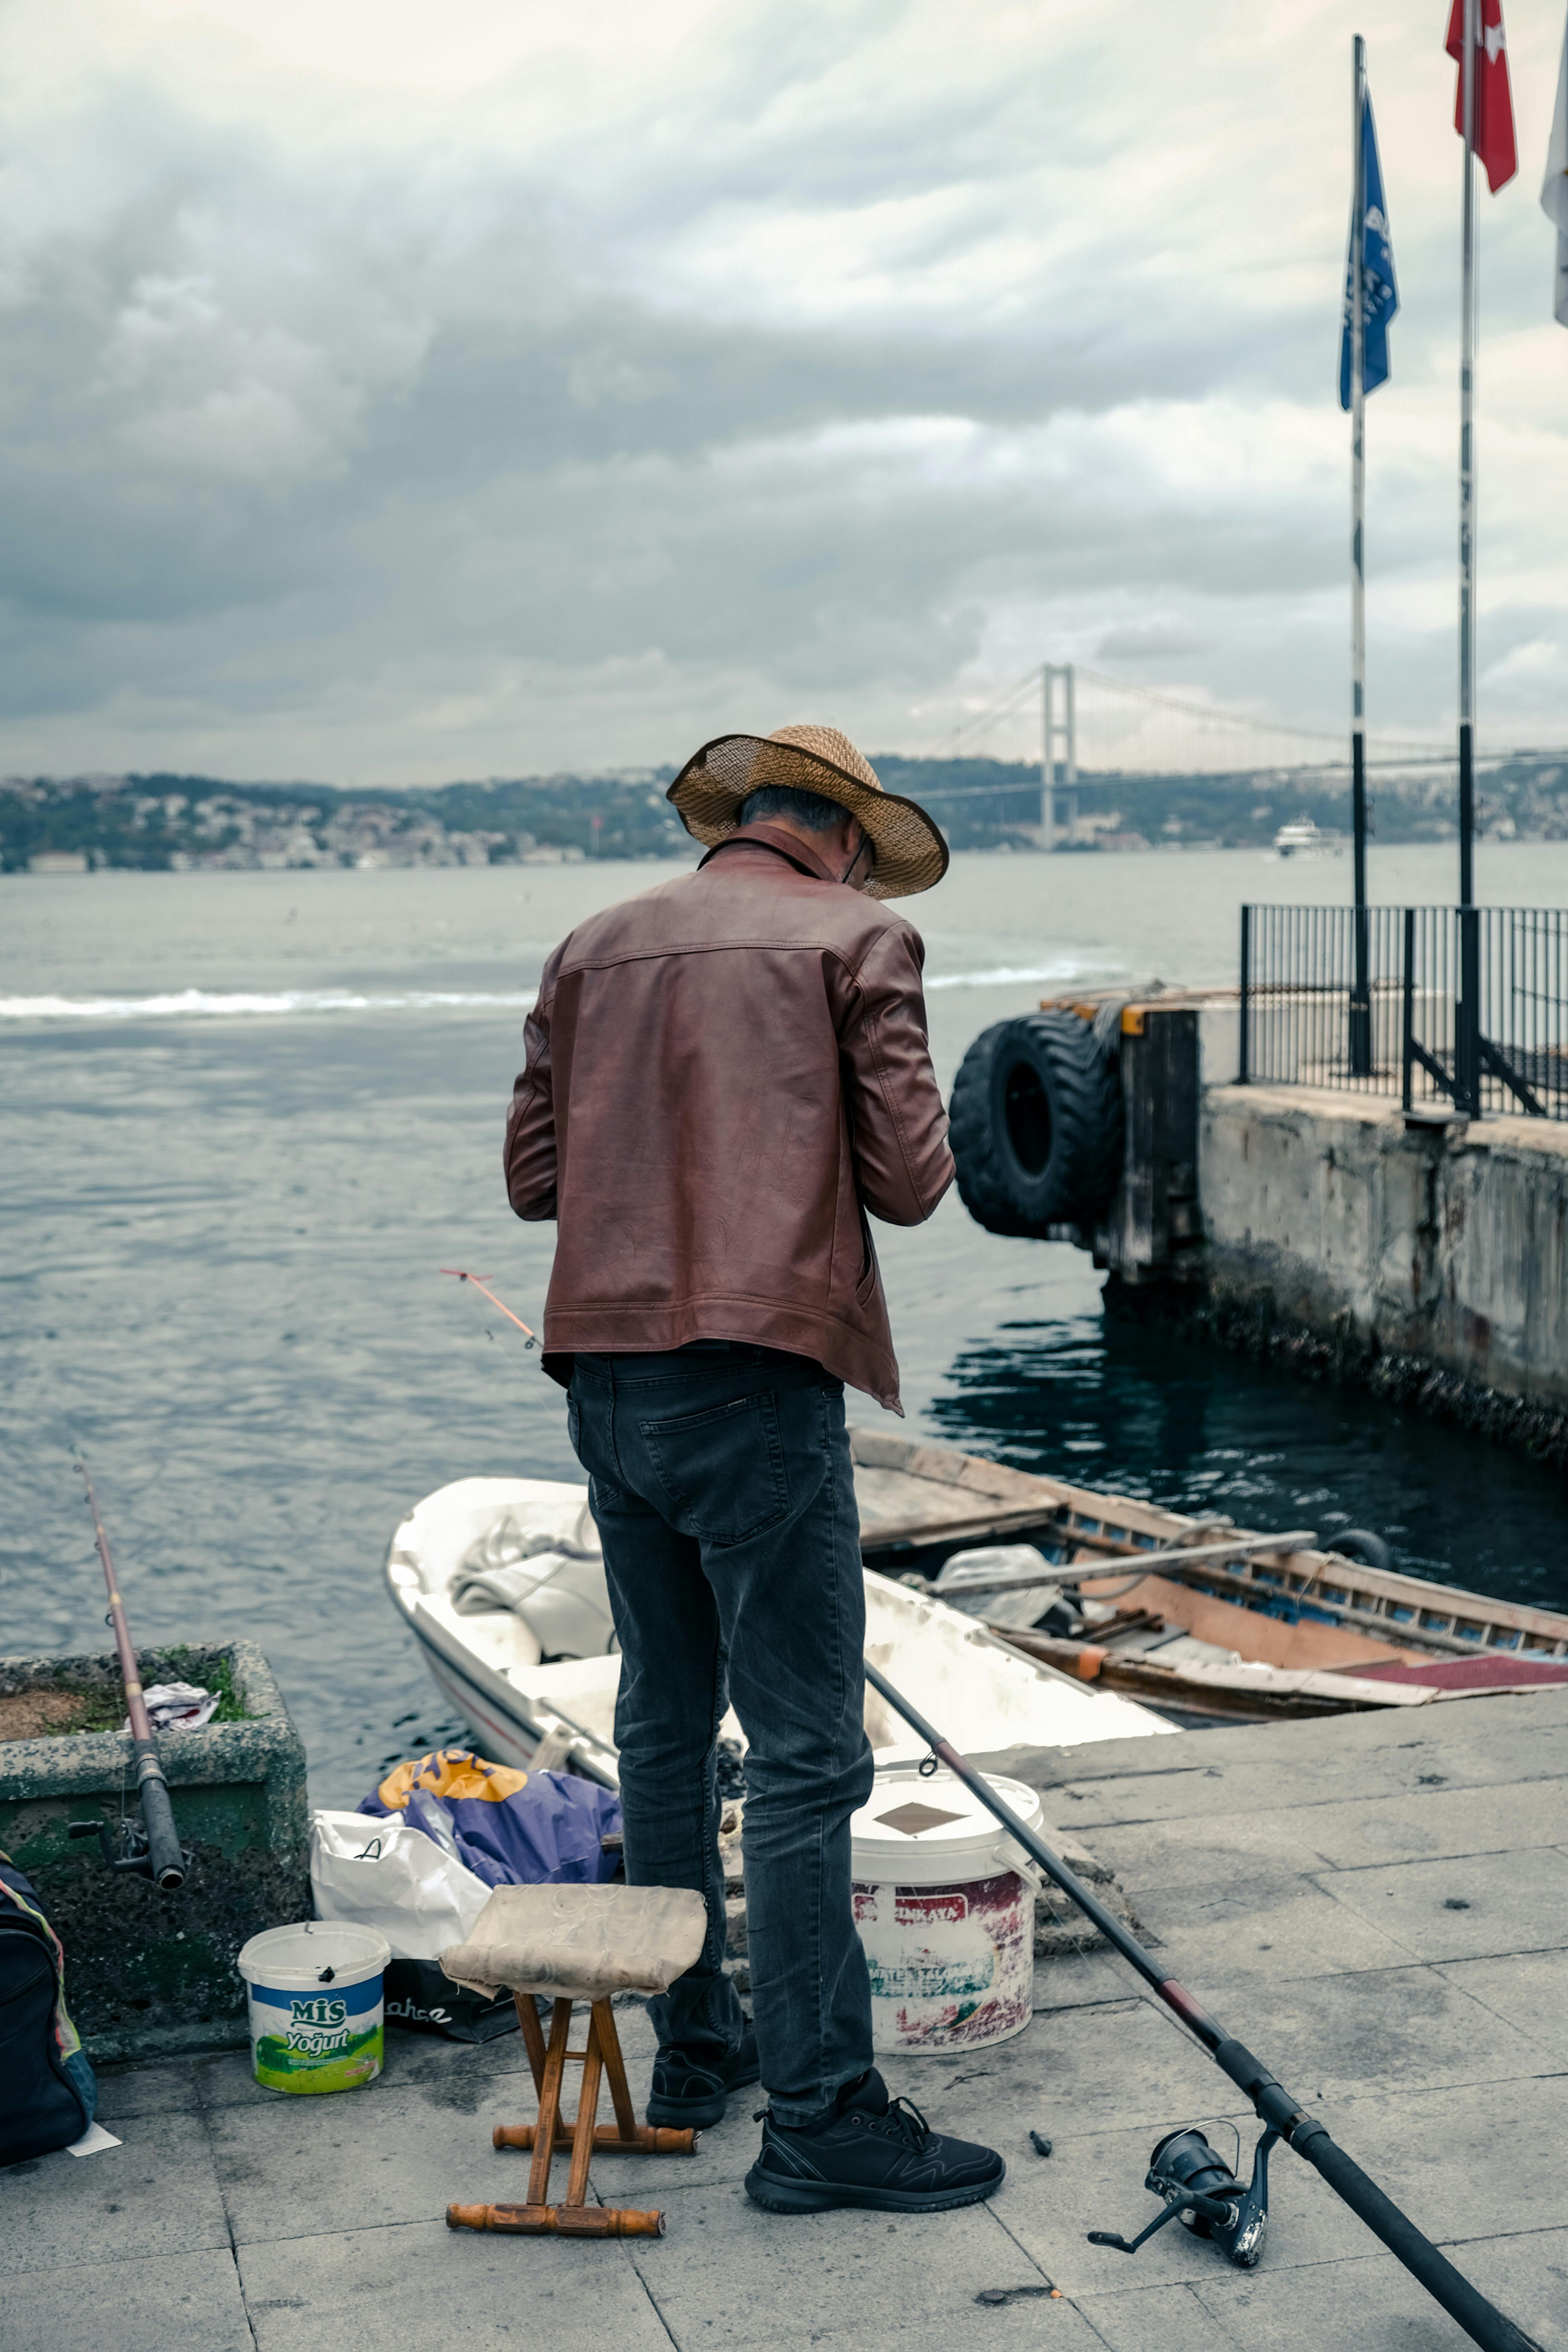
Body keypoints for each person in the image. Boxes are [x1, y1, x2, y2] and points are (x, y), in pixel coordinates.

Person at [504, 723, 1004, 2215]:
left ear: (744, 822)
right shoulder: (861, 939)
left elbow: (537, 1180)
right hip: (757, 1379)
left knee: (662, 1727)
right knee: (804, 1756)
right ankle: (823, 2114)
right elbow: (914, 1183)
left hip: (604, 1379)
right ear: (844, 836)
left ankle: (694, 2051)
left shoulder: (591, 945)